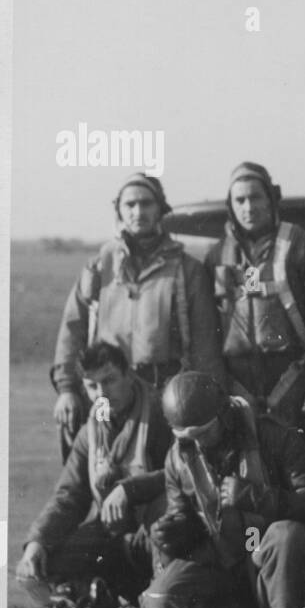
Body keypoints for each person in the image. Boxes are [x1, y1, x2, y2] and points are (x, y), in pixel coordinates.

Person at [124, 372, 305, 608]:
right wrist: (175, 530)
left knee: (286, 535)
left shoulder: (275, 438)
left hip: (280, 567)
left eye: (204, 432)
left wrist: (260, 498)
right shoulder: (178, 456)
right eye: (185, 436)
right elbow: (181, 511)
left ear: (224, 415)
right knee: (160, 601)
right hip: (228, 566)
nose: (196, 442)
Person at [50, 173, 224, 462]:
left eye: (146, 203)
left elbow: (206, 346)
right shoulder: (99, 267)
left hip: (164, 397)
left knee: (165, 484)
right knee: (101, 477)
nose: (138, 212)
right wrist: (67, 389)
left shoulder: (186, 270)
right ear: (119, 210)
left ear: (161, 209)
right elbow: (72, 329)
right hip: (108, 394)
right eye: (130, 204)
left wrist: (208, 407)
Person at [16, 341, 172, 608]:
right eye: (91, 386)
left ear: (128, 375)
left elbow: (181, 476)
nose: (101, 394)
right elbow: (69, 496)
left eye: (110, 380)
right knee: (50, 558)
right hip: (117, 535)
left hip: (160, 535)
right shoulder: (91, 430)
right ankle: (107, 607)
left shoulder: (159, 412)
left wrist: (129, 488)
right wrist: (37, 542)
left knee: (164, 517)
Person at [206, 162, 305, 460]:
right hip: (236, 391)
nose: (249, 207)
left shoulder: (301, 247)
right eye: (240, 200)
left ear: (271, 199)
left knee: (301, 485)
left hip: (293, 388)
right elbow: (206, 332)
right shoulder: (216, 257)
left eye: (256, 198)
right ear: (230, 205)